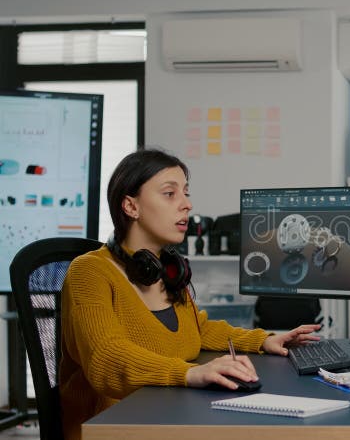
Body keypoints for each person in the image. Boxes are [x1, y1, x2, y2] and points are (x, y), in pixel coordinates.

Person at [59, 149, 321, 440]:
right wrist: (188, 373)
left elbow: (199, 329)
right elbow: (106, 359)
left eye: (185, 193)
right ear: (131, 206)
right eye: (170, 194)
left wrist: (264, 340)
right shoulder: (90, 272)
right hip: (115, 427)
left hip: (169, 415)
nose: (187, 204)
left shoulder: (167, 271)